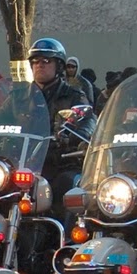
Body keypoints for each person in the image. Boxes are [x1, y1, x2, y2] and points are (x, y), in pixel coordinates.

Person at [27, 37, 90, 200]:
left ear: (59, 66)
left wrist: (70, 137)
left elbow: (87, 121)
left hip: (59, 162)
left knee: (66, 186)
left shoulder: (73, 95)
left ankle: (64, 226)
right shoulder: (19, 97)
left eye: (46, 60)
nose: (39, 64)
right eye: (35, 61)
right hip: (24, 160)